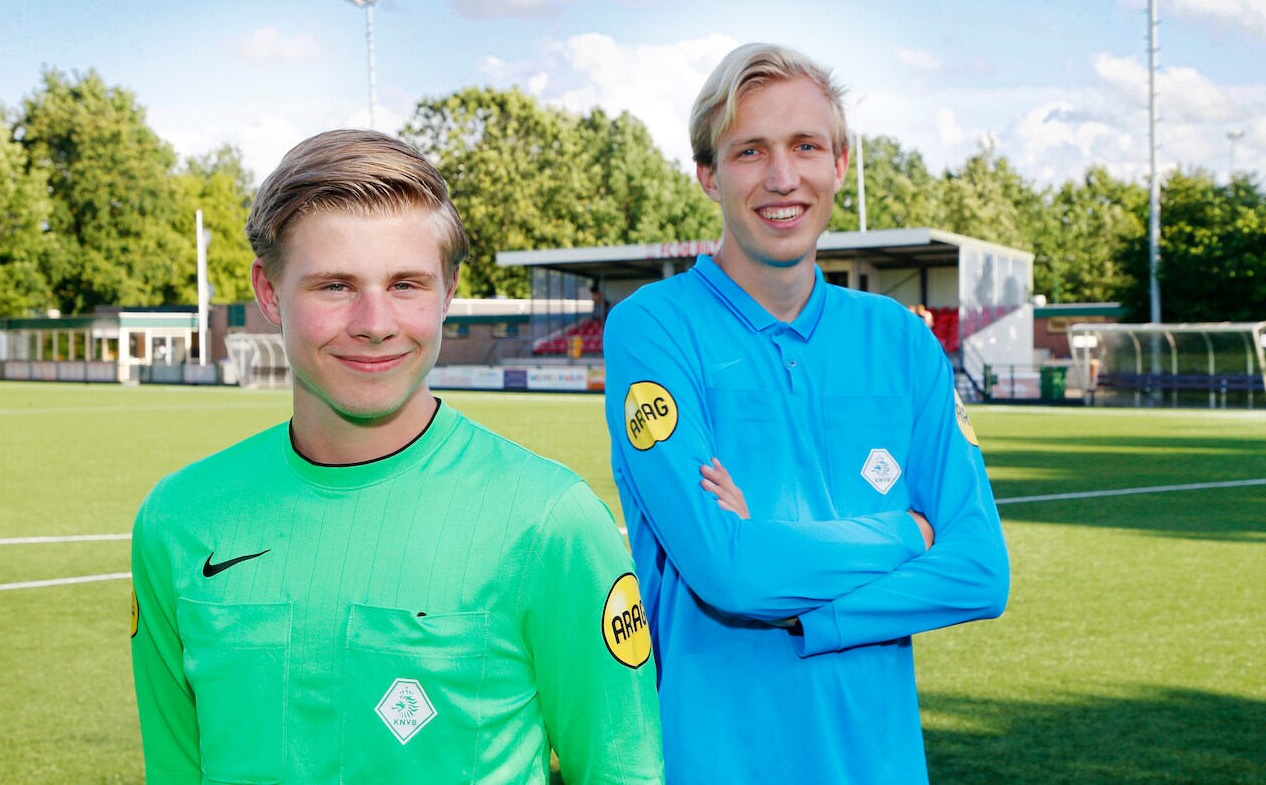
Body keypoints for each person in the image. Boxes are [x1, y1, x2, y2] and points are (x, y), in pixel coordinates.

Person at [131, 130, 663, 784]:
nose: (375, 321)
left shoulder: (551, 520)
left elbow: (623, 770)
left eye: (406, 284)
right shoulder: (178, 518)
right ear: (268, 292)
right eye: (334, 286)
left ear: (447, 291)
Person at [603, 45, 1009, 784]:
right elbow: (727, 574)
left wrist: (805, 608)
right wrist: (911, 532)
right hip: (715, 761)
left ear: (841, 164)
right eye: (750, 150)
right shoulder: (653, 328)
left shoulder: (901, 340)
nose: (782, 177)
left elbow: (980, 571)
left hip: (880, 763)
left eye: (805, 147)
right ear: (708, 174)